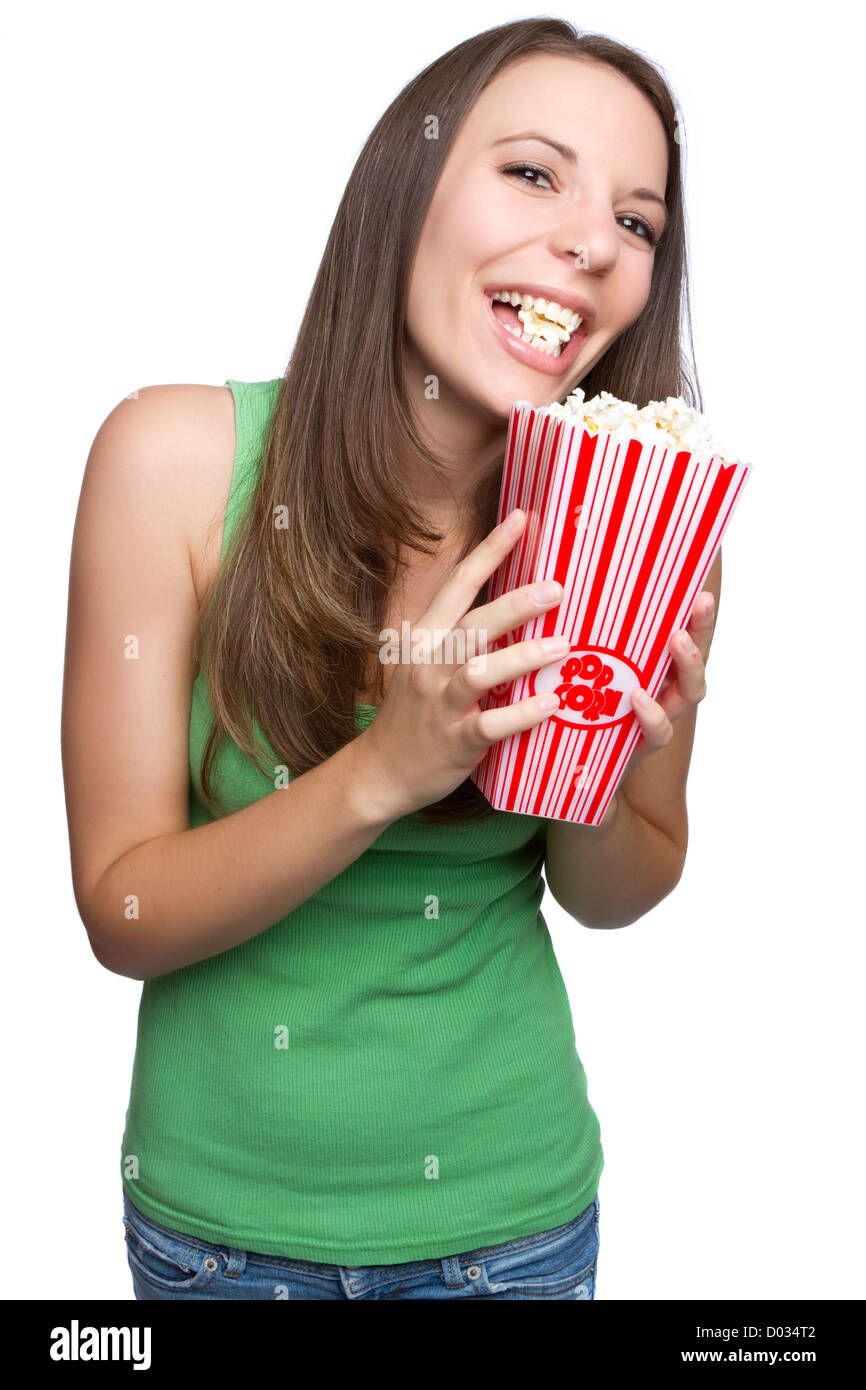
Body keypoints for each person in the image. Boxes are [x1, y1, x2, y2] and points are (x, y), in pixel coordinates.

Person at [61, 18, 721, 1301]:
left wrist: (595, 754)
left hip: (511, 1232)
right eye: (532, 172)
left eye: (635, 222)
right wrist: (384, 770)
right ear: (403, 187)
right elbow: (121, 914)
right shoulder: (171, 465)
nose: (591, 241)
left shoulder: (647, 513)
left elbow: (610, 890)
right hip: (220, 1240)